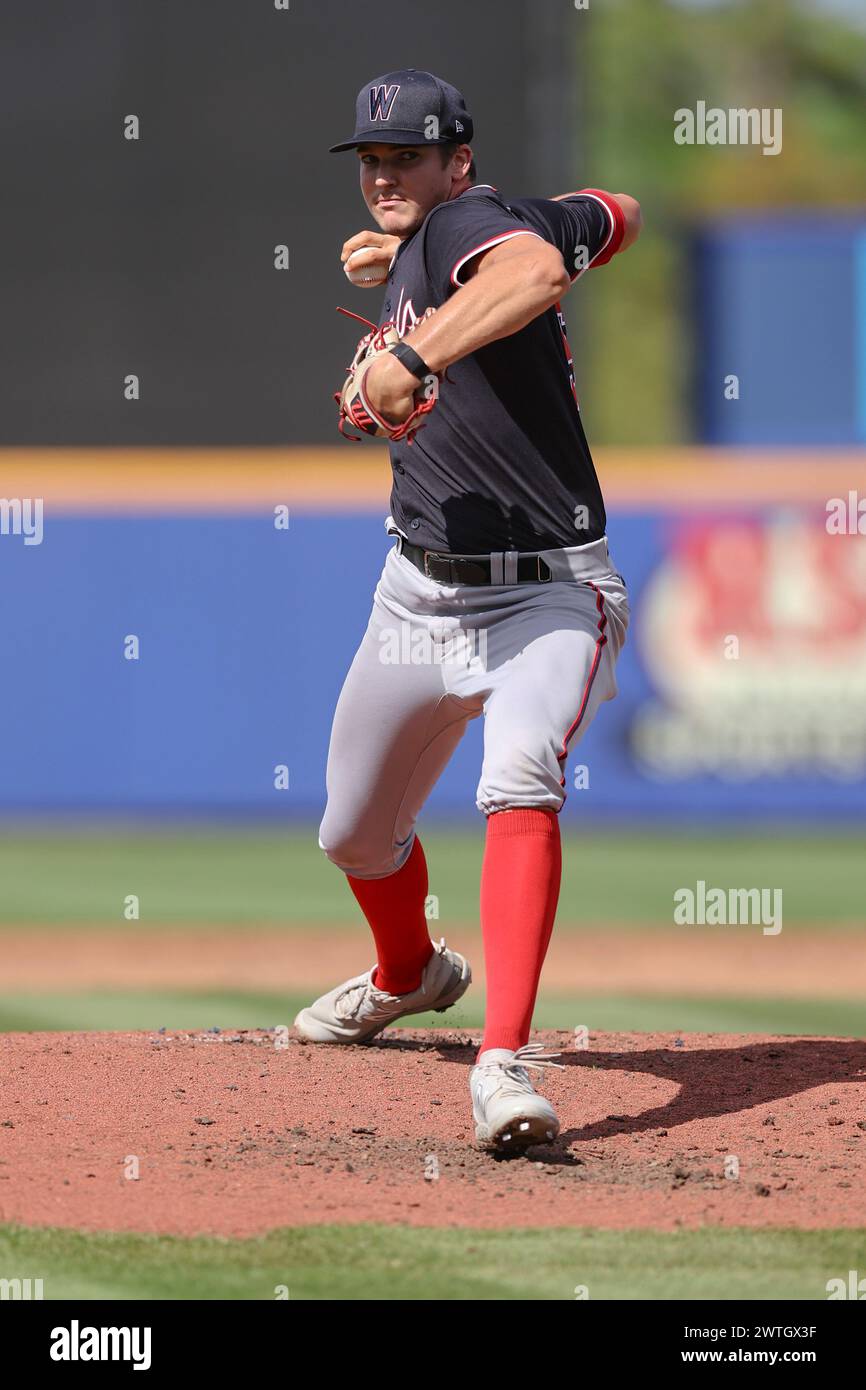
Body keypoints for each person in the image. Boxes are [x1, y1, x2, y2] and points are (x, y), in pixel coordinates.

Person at [295, 69, 642, 1152]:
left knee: (517, 777)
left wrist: (410, 345)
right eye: (371, 159)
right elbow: (619, 213)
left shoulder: (465, 225)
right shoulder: (452, 234)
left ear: (458, 161)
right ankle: (410, 973)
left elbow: (530, 269)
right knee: (352, 831)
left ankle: (504, 1060)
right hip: (418, 592)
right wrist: (412, 270)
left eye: (407, 154)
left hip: (545, 590)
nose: (385, 173)